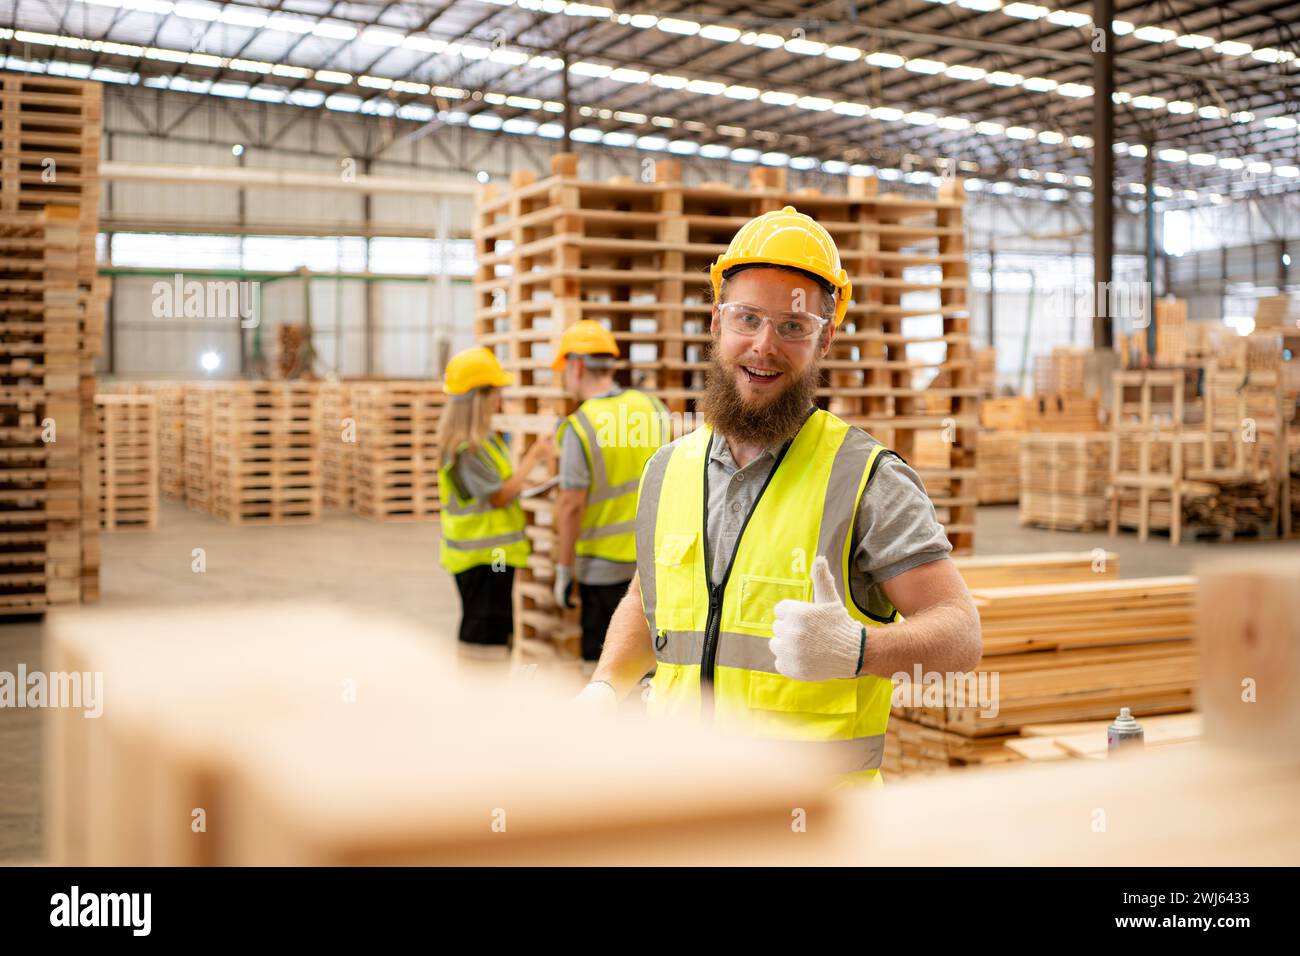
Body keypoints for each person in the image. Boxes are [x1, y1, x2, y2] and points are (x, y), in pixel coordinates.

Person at [576, 206, 982, 783]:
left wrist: (859, 649)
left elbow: (961, 633)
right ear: (717, 324)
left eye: (793, 326)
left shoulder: (865, 477)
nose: (764, 346)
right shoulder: (668, 470)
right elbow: (652, 605)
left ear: (826, 340)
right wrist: (604, 685)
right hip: (676, 806)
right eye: (748, 319)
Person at [551, 320, 669, 666]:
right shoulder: (655, 409)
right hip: (651, 563)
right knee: (646, 662)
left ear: (576, 368)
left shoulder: (581, 425)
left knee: (603, 664)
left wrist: (563, 567)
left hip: (601, 568)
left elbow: (571, 504)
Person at [438, 346, 552, 652]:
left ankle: (484, 691)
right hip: (483, 558)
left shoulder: (484, 440)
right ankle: (481, 695)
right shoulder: (467, 449)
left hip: (489, 556)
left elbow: (500, 487)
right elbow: (499, 496)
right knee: (484, 635)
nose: (500, 399)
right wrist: (534, 457)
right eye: (497, 392)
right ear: (480, 397)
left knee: (495, 632)